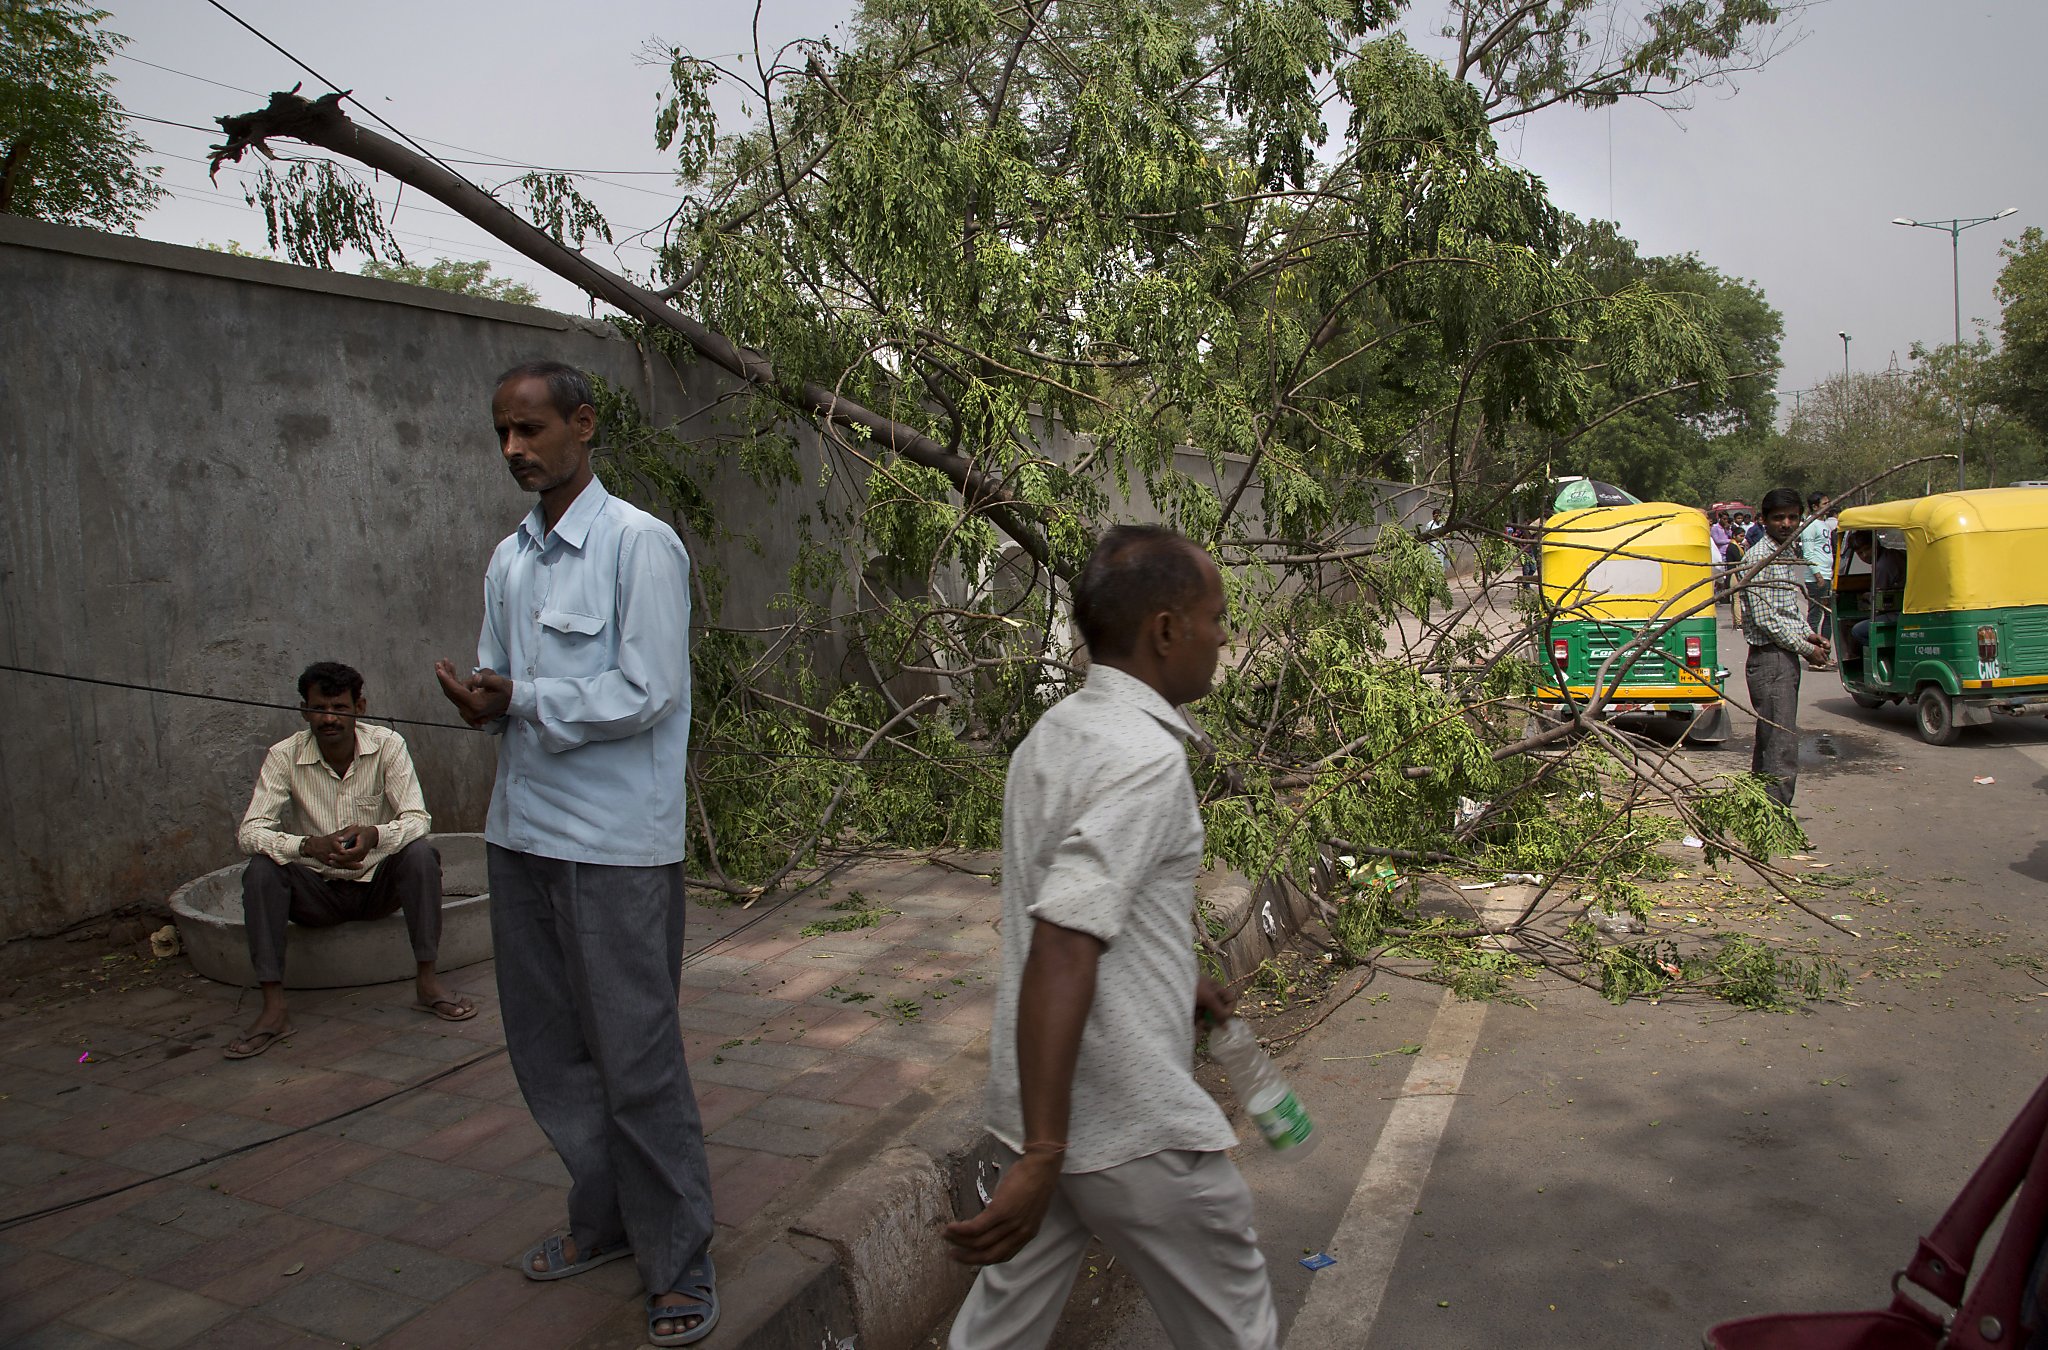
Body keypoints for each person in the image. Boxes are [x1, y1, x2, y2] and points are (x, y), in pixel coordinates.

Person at [943, 525, 1279, 1350]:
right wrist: (1046, 1151)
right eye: (1216, 617)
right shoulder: (1146, 761)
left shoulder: (1052, 737)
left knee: (998, 1331)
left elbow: (1087, 906)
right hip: (1123, 1122)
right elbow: (1062, 941)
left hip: (1045, 1110)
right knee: (1236, 1326)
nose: (1225, 636)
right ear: (1166, 631)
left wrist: (1177, 982)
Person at [433, 361, 713, 1346]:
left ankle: (677, 1258)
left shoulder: (640, 546)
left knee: (635, 1061)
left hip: (615, 852)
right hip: (521, 838)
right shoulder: (508, 560)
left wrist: (523, 702)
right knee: (549, 1054)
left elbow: (648, 691)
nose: (514, 449)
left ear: (581, 426)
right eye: (502, 433)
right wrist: (482, 704)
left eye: (530, 430)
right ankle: (603, 1220)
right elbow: (498, 681)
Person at [228, 662, 471, 1059]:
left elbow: (417, 818)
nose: (328, 718)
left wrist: (376, 834)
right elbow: (250, 832)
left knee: (421, 855)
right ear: (304, 710)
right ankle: (274, 1008)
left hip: (377, 886)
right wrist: (307, 846)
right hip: (318, 891)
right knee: (260, 870)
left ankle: (428, 982)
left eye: (339, 707)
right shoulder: (283, 756)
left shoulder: (387, 744)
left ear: (359, 707)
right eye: (319, 708)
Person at [1738, 488, 1831, 809]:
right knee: (1780, 745)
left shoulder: (1782, 556)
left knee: (1772, 740)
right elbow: (1768, 622)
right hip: (1770, 660)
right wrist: (1807, 650)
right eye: (1779, 518)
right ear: (1764, 521)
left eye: (1793, 517)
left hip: (1782, 657)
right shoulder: (1759, 558)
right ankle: (1775, 817)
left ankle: (1761, 812)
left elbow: (1787, 612)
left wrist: (1810, 636)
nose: (1787, 523)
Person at [1799, 491, 1837, 638]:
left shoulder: (1824, 524)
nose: (1828, 506)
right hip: (1817, 578)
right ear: (1815, 506)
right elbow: (1808, 554)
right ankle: (1813, 652)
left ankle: (1825, 651)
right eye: (1825, 503)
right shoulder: (1810, 525)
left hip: (1827, 575)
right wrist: (1818, 576)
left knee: (1829, 615)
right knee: (1815, 616)